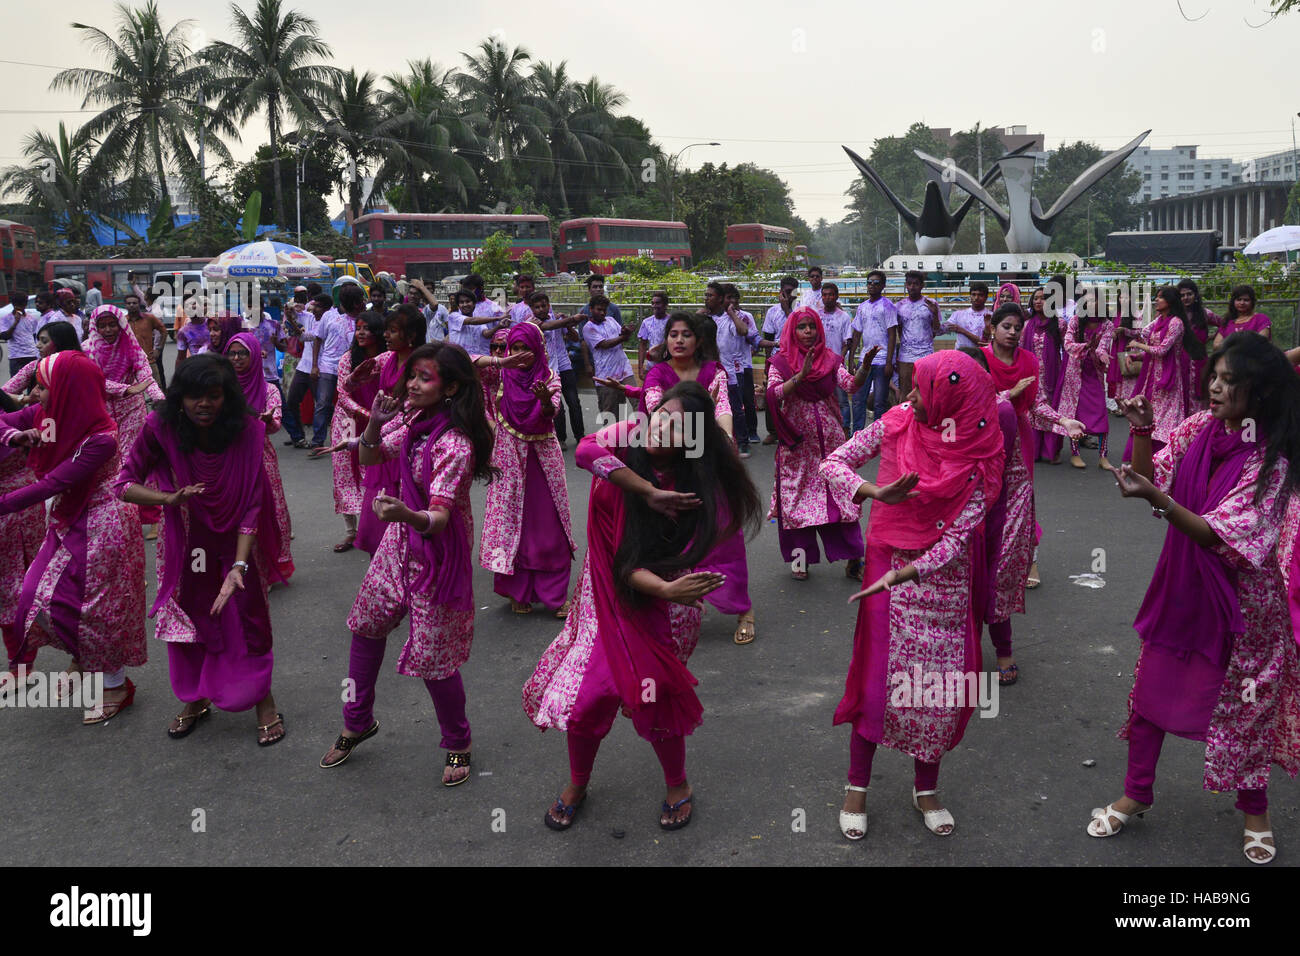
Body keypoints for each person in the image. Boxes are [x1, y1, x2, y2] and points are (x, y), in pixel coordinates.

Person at [1089, 333, 1300, 864]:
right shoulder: (1203, 427)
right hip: (1182, 592)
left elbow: (1216, 534)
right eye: (1215, 377)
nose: (1216, 388)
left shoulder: (1272, 464)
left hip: (1245, 611)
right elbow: (1145, 475)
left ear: (1264, 395)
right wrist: (1140, 429)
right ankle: (1137, 792)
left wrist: (1159, 501)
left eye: (1231, 382)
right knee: (1150, 698)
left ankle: (1256, 810)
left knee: (1246, 711)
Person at [523, 381, 761, 831]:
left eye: (675, 424)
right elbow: (586, 452)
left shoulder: (699, 493)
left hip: (667, 606)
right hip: (604, 598)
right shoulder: (630, 438)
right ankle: (577, 781)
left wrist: (673, 592)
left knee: (656, 698)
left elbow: (676, 565)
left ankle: (678, 785)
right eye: (659, 415)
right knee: (589, 697)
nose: (659, 426)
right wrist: (644, 490)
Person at [824, 350, 1004, 841]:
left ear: (952, 398)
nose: (909, 397)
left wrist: (909, 575)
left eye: (921, 389)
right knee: (878, 683)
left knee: (939, 690)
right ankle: (857, 786)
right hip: (888, 558)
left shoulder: (983, 449)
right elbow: (832, 464)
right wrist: (874, 493)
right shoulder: (899, 420)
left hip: (943, 579)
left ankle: (926, 787)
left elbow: (958, 537)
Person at [318, 343, 497, 783]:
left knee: (434, 658)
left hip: (436, 553)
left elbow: (437, 519)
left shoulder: (454, 443)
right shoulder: (414, 421)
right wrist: (375, 424)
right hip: (398, 545)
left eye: (424, 378)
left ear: (451, 387)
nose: (412, 385)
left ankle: (458, 741)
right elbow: (369, 456)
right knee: (366, 625)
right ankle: (357, 721)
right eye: (412, 375)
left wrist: (403, 514)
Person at [114, 354, 287, 746]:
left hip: (237, 543)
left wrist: (240, 565)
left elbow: (253, 506)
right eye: (193, 396)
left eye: (213, 395)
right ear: (179, 398)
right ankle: (195, 698)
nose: (203, 405)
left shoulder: (248, 431)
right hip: (185, 542)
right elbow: (123, 483)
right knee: (188, 624)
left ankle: (263, 699)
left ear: (227, 397)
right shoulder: (161, 427)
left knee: (248, 619)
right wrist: (168, 498)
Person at [0, 351, 146, 724]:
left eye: (43, 387)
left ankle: (116, 684)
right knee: (34, 596)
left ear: (66, 389)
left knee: (98, 609)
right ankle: (83, 656)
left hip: (102, 525)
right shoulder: (50, 418)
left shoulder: (101, 438)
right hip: (68, 519)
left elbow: (54, 482)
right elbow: (3, 420)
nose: (34, 394)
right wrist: (15, 434)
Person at [474, 322, 575, 616]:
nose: (519, 354)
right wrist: (500, 360)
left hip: (542, 460)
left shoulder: (549, 378)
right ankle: (517, 591)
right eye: (514, 348)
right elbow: (459, 360)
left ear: (539, 350)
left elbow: (551, 410)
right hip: (509, 460)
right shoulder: (500, 374)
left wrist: (544, 402)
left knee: (549, 527)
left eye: (525, 348)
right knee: (511, 524)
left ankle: (556, 596)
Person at [767, 307, 872, 581]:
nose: (808, 332)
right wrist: (799, 376)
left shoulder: (831, 359)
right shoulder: (780, 361)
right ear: (792, 331)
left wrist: (864, 368)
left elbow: (850, 386)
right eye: (802, 327)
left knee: (842, 502)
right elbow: (774, 393)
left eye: (811, 327)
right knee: (797, 505)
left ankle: (854, 562)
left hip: (832, 446)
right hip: (798, 447)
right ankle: (800, 561)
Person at [347, 305, 426, 555]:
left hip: (406, 436)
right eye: (387, 330)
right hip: (384, 433)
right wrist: (355, 378)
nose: (386, 336)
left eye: (393, 331)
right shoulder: (386, 359)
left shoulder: (423, 363)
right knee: (377, 508)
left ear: (411, 336)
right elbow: (349, 383)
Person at [311, 311, 386, 552]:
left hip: (381, 423)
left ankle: (374, 529)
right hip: (348, 422)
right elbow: (343, 396)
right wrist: (368, 416)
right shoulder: (348, 359)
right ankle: (351, 532)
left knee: (373, 476)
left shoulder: (387, 359)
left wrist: (379, 420)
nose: (361, 333)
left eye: (367, 328)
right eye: (359, 329)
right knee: (345, 477)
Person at [224, 332, 294, 581]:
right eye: (232, 353)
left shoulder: (269, 389)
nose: (236, 358)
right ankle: (240, 567)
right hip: (227, 458)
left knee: (268, 509)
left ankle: (270, 567)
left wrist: (266, 421)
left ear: (254, 355)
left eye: (242, 353)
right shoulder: (221, 387)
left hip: (260, 456)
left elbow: (275, 424)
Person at [1122, 285, 1189, 463]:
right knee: (1147, 415)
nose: (1156, 300)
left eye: (1160, 297)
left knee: (1165, 418)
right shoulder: (1159, 320)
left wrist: (1138, 345)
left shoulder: (1176, 323)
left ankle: (1163, 459)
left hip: (1168, 378)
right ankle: (1144, 458)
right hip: (1151, 376)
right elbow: (1152, 349)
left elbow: (1161, 350)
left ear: (1170, 301)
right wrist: (1136, 357)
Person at [1056, 289, 1115, 470]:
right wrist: (1085, 346)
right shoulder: (1075, 321)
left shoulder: (1107, 325)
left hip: (1094, 374)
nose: (1091, 305)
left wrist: (1101, 353)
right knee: (1076, 414)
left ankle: (1103, 457)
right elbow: (1067, 344)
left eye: (1094, 301)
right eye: (1087, 301)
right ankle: (1075, 454)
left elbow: (1103, 345)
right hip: (1075, 374)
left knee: (1101, 414)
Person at [702, 282, 756, 457]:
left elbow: (743, 331)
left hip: (729, 372)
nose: (706, 298)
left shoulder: (733, 317)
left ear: (720, 299)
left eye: (710, 295)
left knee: (735, 409)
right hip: (708, 371)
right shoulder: (705, 318)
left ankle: (743, 442)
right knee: (707, 407)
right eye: (706, 295)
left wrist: (731, 312)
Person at [526, 291, 583, 447]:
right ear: (531, 309)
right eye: (537, 307)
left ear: (548, 306)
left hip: (564, 366)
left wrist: (569, 325)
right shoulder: (531, 323)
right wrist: (570, 320)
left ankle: (581, 436)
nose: (541, 309)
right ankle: (561, 438)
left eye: (544, 306)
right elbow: (548, 326)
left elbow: (575, 338)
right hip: (548, 370)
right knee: (557, 406)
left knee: (574, 402)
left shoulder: (557, 319)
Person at [310, 284, 359, 451]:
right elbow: (318, 339)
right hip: (327, 366)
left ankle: (348, 440)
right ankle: (317, 441)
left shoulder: (362, 321)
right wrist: (315, 365)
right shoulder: (328, 317)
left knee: (348, 405)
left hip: (349, 370)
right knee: (322, 403)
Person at [849, 270, 898, 431]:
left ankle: (876, 436)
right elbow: (857, 334)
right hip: (865, 360)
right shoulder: (862, 307)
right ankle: (857, 433)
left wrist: (889, 362)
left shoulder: (888, 306)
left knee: (879, 401)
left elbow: (892, 335)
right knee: (858, 398)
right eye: (869, 282)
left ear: (883, 286)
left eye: (876, 283)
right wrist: (851, 360)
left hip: (882, 360)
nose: (872, 285)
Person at [1021, 286, 1064, 464]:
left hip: (1051, 375)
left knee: (1051, 410)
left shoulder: (1059, 324)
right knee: (1032, 412)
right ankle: (1034, 450)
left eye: (1043, 298)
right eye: (1036, 298)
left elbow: (1066, 350)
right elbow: (1021, 350)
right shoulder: (1026, 325)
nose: (1039, 301)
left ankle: (1051, 451)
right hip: (1032, 375)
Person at [281, 293, 328, 448]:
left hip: (320, 368)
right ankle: (299, 436)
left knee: (321, 405)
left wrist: (293, 321)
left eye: (318, 306)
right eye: (314, 305)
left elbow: (306, 337)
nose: (314, 309)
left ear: (327, 309)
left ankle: (318, 439)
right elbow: (297, 318)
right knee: (292, 401)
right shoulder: (310, 317)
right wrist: (290, 312)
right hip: (304, 366)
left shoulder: (329, 322)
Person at [760, 276, 799, 444]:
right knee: (772, 395)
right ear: (781, 291)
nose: (789, 295)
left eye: (792, 292)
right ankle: (773, 431)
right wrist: (767, 362)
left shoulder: (800, 309)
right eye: (786, 291)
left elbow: (797, 326)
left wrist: (787, 308)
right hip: (777, 358)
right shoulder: (772, 311)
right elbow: (768, 338)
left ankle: (795, 430)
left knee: (796, 395)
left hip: (797, 358)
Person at [582, 295, 634, 418]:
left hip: (624, 368)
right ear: (591, 309)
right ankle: (609, 437)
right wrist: (623, 337)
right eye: (599, 309)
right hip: (606, 375)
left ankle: (641, 431)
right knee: (609, 413)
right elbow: (604, 344)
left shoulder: (611, 320)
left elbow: (620, 334)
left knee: (636, 399)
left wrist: (626, 331)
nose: (602, 313)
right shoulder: (588, 328)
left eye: (604, 310)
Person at [4, 321, 83, 400]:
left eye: (44, 341)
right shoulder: (34, 366)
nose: (37, 345)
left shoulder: (81, 368)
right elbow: (4, 392)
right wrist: (25, 399)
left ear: (60, 343)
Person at [894, 270, 942, 398]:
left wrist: (935, 314)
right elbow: (899, 329)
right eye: (909, 284)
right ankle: (906, 418)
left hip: (926, 355)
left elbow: (937, 330)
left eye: (915, 284)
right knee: (906, 394)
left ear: (922, 285)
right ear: (906, 285)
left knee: (927, 392)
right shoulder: (899, 306)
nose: (912, 287)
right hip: (906, 357)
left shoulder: (931, 304)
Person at [818, 282, 856, 432]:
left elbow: (847, 342)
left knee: (842, 400)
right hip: (820, 365)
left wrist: (838, 360)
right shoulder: (817, 315)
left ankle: (845, 429)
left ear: (836, 296)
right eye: (825, 295)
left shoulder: (844, 317)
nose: (828, 298)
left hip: (837, 365)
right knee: (823, 399)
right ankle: (827, 429)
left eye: (831, 294)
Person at [1178, 279, 1217, 410]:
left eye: (1189, 294)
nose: (1186, 298)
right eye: (1182, 295)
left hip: (1200, 361)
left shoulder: (1206, 314)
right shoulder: (1174, 316)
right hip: (1180, 363)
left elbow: (1225, 325)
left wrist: (1213, 338)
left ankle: (1201, 429)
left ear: (1195, 295)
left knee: (1201, 396)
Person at [124, 292, 169, 390]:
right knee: (133, 391)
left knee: (157, 389)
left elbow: (164, 331)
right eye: (129, 303)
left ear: (139, 304)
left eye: (134, 303)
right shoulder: (122, 321)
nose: (131, 305)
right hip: (130, 363)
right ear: (125, 305)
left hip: (149, 360)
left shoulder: (149, 318)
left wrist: (158, 349)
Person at [0, 293, 41, 378]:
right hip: (15, 356)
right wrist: (15, 322)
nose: (19, 308)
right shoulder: (6, 319)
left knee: (32, 384)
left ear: (25, 305)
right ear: (13, 304)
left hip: (31, 355)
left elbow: (35, 336)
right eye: (16, 305)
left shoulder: (31, 319)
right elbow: (5, 336)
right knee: (15, 386)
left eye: (21, 305)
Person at [945, 281, 991, 348]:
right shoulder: (958, 314)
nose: (976, 298)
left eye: (980, 295)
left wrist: (962, 330)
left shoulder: (991, 316)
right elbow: (940, 330)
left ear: (986, 297)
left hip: (980, 356)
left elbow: (983, 343)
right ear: (970, 296)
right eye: (973, 294)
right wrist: (934, 315)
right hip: (960, 356)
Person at [637, 291, 670, 381]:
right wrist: (640, 368)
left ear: (665, 305)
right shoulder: (646, 322)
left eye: (658, 303)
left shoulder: (672, 321)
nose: (654, 305)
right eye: (653, 303)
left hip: (669, 366)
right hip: (651, 367)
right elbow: (642, 345)